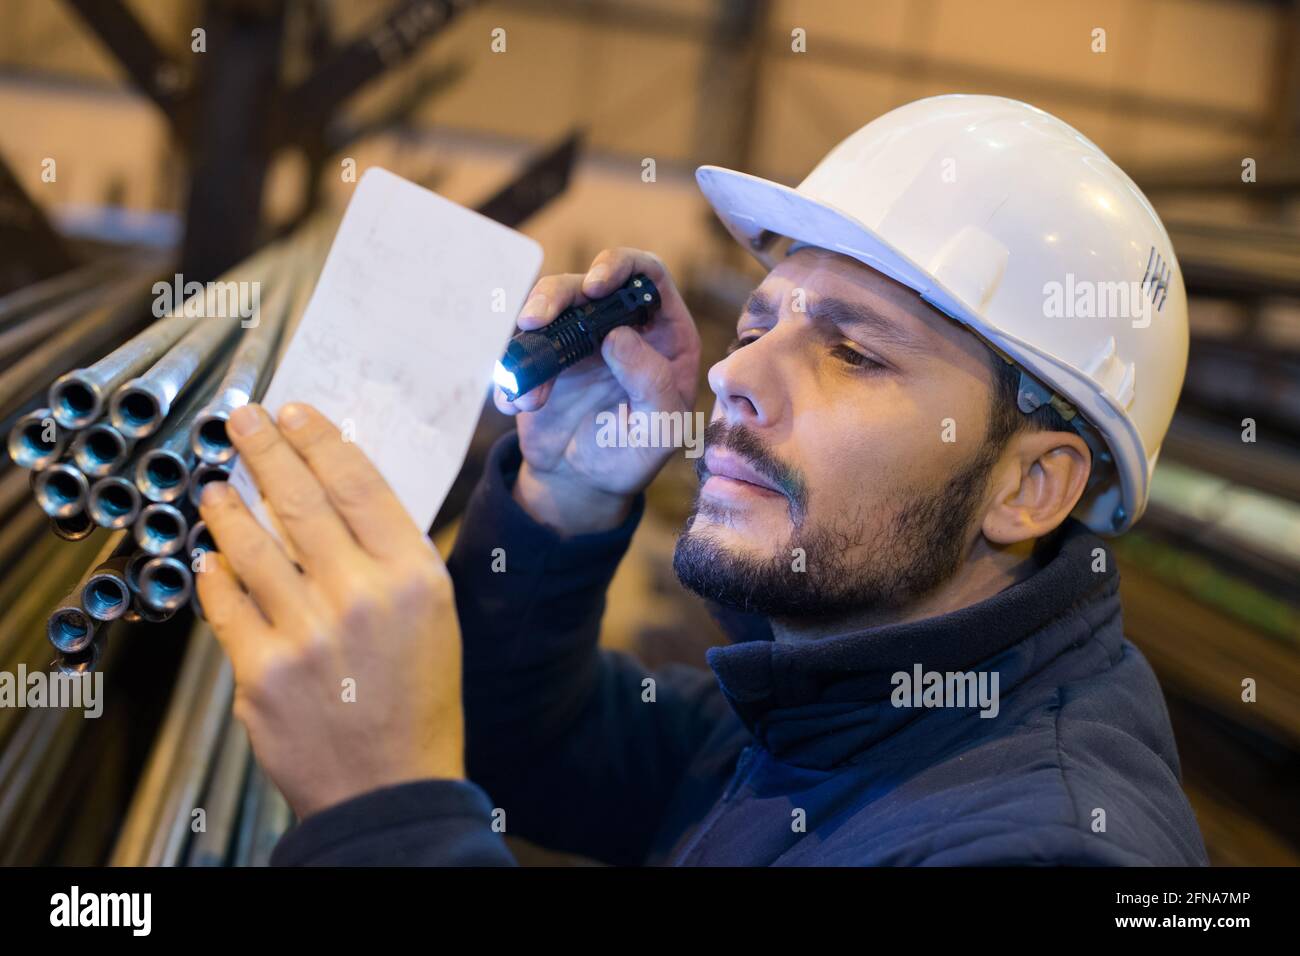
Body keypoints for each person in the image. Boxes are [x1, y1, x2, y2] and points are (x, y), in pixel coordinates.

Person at [198, 95, 1209, 865]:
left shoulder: (1038, 846)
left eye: (853, 352)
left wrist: (386, 810)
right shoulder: (829, 710)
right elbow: (520, 749)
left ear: (1029, 486)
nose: (733, 374)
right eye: (760, 324)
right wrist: (568, 496)